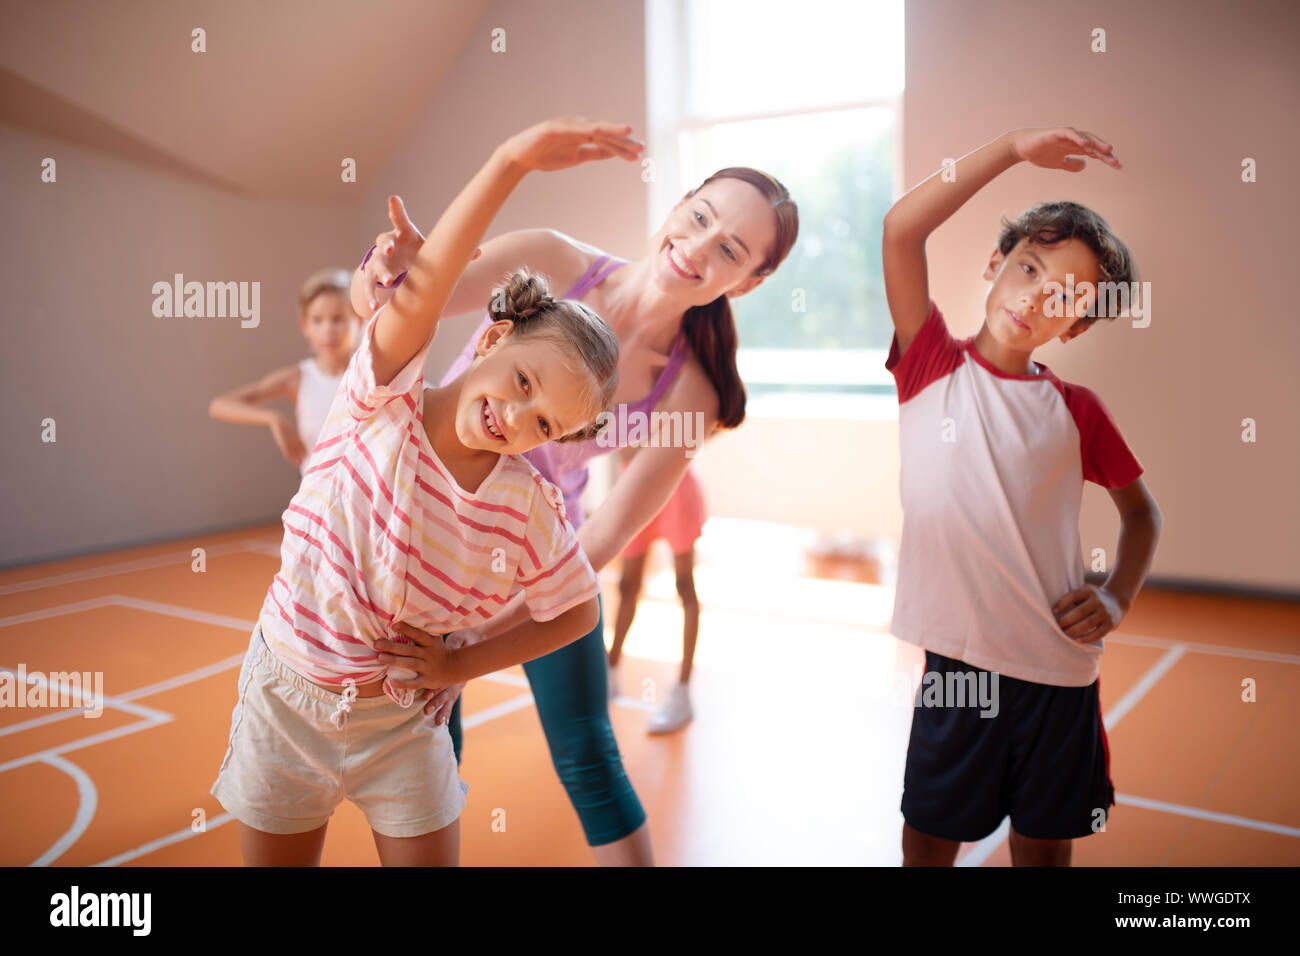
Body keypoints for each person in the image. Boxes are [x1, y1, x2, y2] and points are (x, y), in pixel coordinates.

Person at [357, 131, 799, 865]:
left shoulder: (692, 387)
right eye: (700, 218)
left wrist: (489, 630)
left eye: (730, 251)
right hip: (421, 524)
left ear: (748, 282)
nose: (698, 247)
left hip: (533, 553)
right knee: (428, 754)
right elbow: (407, 296)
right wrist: (387, 272)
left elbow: (609, 533)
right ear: (679, 205)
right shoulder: (556, 260)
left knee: (588, 753)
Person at [210, 118, 638, 866]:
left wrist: (461, 665)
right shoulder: (386, 393)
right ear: (496, 339)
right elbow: (429, 287)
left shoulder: (525, 505)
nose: (515, 417)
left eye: (543, 423)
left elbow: (576, 610)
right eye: (523, 383)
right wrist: (511, 161)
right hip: (286, 699)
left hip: (401, 726)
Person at [881, 126, 1162, 866]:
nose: (1039, 296)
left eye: (1066, 295)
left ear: (1075, 326)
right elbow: (900, 230)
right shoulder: (930, 364)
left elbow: (1142, 514)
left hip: (1057, 674)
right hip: (957, 672)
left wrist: (1116, 597)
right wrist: (1011, 149)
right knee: (930, 840)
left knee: (1043, 849)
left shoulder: (1077, 410)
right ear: (995, 264)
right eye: (1030, 268)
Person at [209, 269, 359, 474]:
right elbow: (219, 405)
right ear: (305, 325)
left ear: (359, 320)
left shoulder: (368, 374)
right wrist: (273, 418)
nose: (328, 330)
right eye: (318, 320)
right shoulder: (297, 379)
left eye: (338, 319)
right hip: (316, 499)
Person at [607, 453, 707, 734]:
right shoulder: (625, 409)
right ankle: (610, 673)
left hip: (675, 484)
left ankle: (683, 691)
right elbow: (619, 445)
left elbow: (707, 425)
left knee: (685, 586)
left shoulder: (681, 410)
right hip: (636, 485)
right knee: (628, 584)